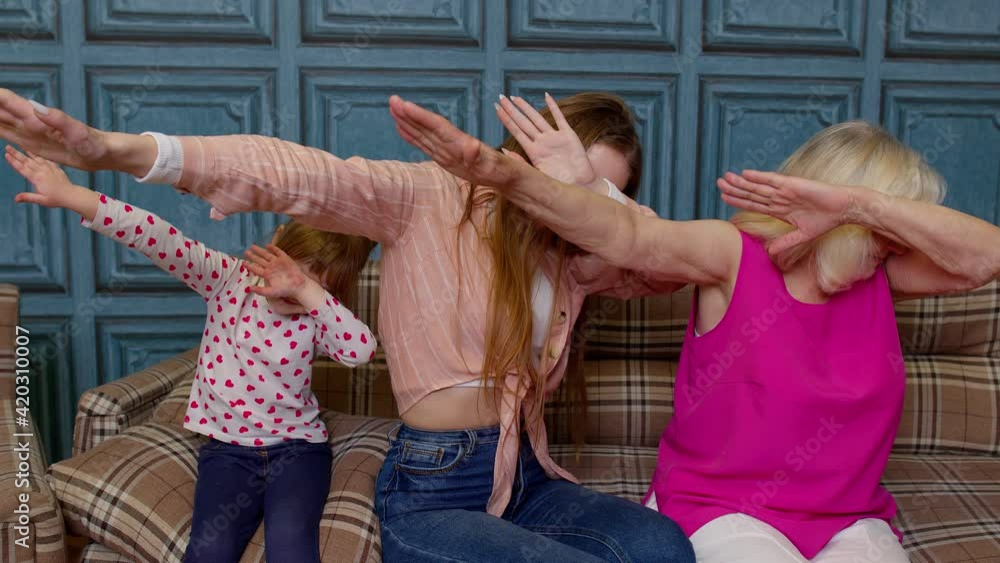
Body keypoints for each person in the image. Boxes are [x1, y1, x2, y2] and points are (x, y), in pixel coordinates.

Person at [0, 89, 695, 562]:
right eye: (551, 179)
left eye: (590, 192)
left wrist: (585, 194)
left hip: (530, 482)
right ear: (519, 159)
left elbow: (673, 264)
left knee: (664, 546)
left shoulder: (581, 260)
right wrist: (113, 151)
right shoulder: (432, 198)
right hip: (433, 489)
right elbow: (302, 174)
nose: (559, 208)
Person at [387, 97, 1000, 562]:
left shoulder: (884, 274)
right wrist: (521, 179)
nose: (897, 242)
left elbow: (984, 259)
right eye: (883, 227)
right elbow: (629, 238)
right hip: (725, 510)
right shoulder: (732, 254)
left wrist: (866, 208)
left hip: (850, 519)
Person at [4, 145, 377, 562]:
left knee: (292, 547)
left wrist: (310, 294)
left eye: (311, 285)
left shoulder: (317, 313)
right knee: (208, 551)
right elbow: (156, 236)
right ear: (275, 242)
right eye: (288, 271)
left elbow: (360, 350)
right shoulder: (225, 280)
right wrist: (72, 195)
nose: (288, 289)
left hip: (299, 451)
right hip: (227, 453)